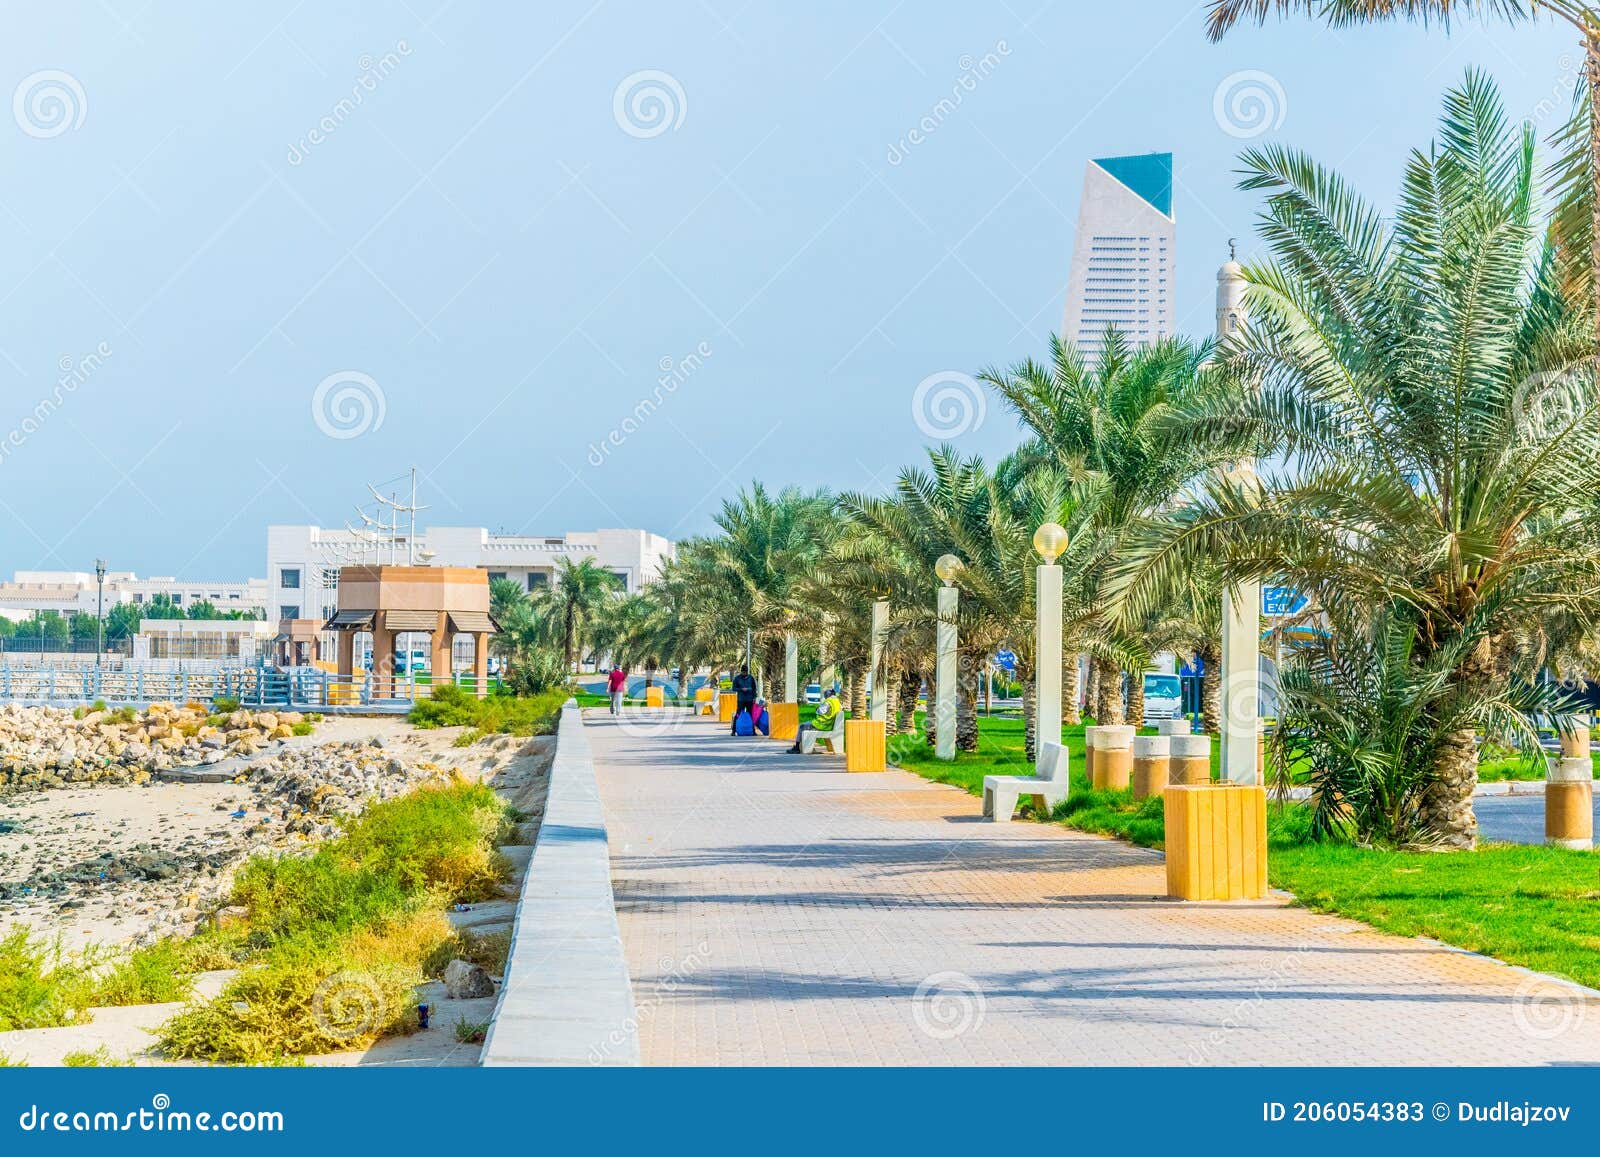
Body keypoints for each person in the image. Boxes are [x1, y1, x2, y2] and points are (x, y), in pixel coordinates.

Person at [790, 686, 842, 753]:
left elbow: (821, 711)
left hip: (822, 725)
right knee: (804, 726)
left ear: (828, 694)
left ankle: (797, 747)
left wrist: (817, 709)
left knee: (802, 726)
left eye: (825, 693)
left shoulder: (828, 702)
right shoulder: (837, 702)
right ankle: (801, 747)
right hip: (829, 724)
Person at [730, 664, 757, 735]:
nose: (744, 674)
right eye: (743, 672)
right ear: (741, 671)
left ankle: (753, 731)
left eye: (745, 672)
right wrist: (741, 689)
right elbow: (733, 688)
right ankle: (733, 731)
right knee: (738, 714)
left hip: (749, 699)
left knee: (751, 715)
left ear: (747, 672)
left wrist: (754, 697)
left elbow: (754, 688)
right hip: (741, 700)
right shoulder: (737, 678)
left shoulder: (751, 678)